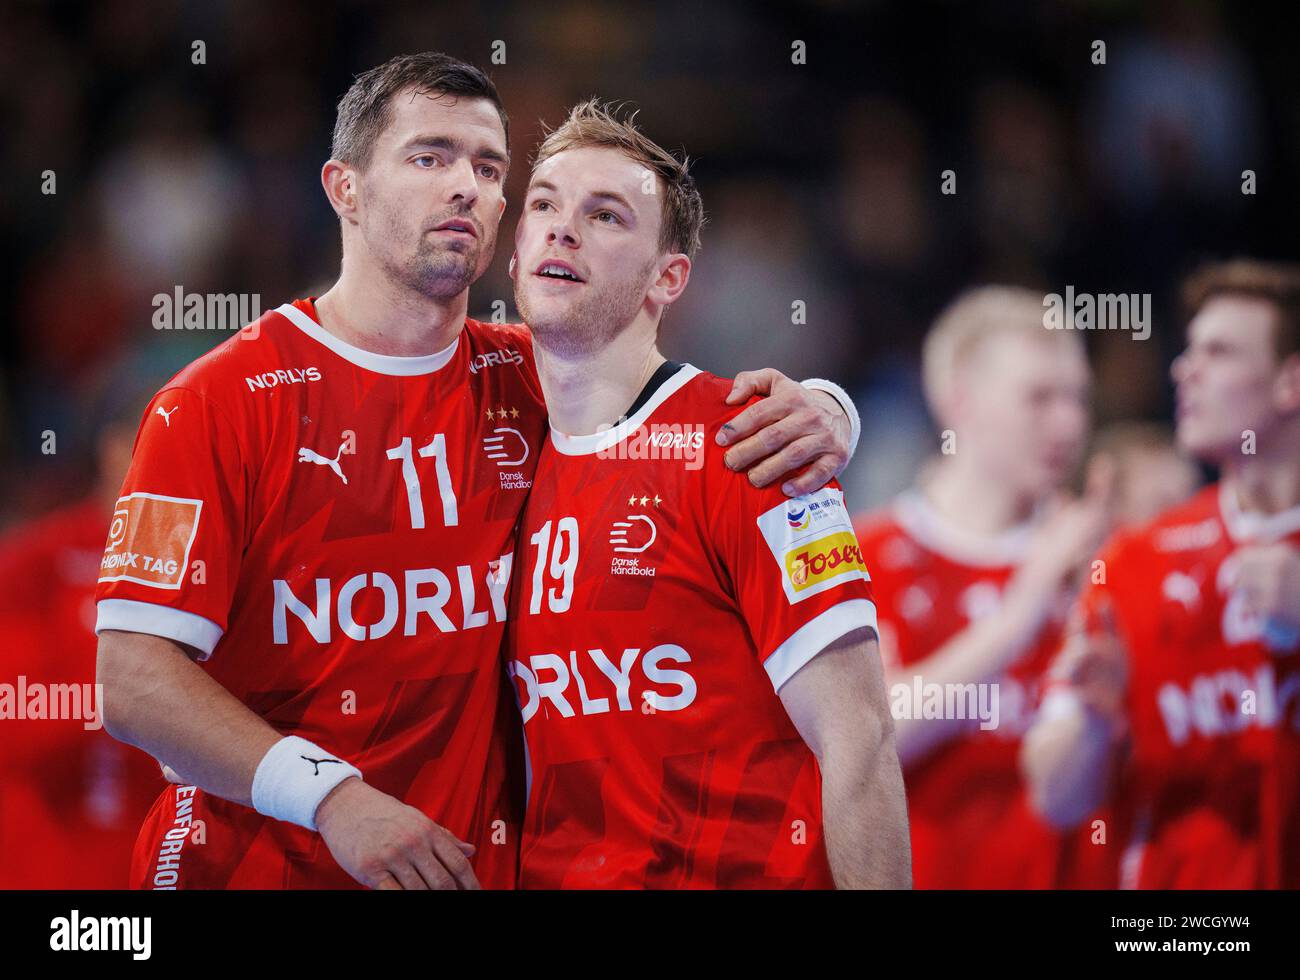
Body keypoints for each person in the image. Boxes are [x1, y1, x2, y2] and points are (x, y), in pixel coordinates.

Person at [94, 53, 862, 890]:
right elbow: (133, 679)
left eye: (489, 167)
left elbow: (671, 398)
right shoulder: (214, 402)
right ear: (344, 188)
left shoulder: (533, 381)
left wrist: (826, 411)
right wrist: (331, 797)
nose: (464, 184)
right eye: (429, 157)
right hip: (251, 868)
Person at [503, 101, 910, 889]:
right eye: (544, 204)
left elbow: (859, 741)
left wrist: (831, 411)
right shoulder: (491, 449)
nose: (562, 228)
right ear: (515, 252)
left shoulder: (752, 446)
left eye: (606, 215)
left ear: (669, 277)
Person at [1023, 259, 1300, 888]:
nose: (1184, 368)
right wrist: (1095, 722)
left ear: (1291, 381)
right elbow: (1055, 799)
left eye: (1220, 351)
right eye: (1188, 349)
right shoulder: (1134, 559)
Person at [853, 286, 1113, 887]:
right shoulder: (861, 557)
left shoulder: (1105, 563)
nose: (1070, 422)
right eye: (1040, 397)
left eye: (1078, 397)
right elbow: (869, 746)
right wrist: (1020, 614)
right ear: (958, 402)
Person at [0, 390, 164, 888]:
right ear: (110, 449)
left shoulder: (222, 565)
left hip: (173, 854)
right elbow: (14, 718)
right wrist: (132, 689)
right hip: (53, 858)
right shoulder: (35, 563)